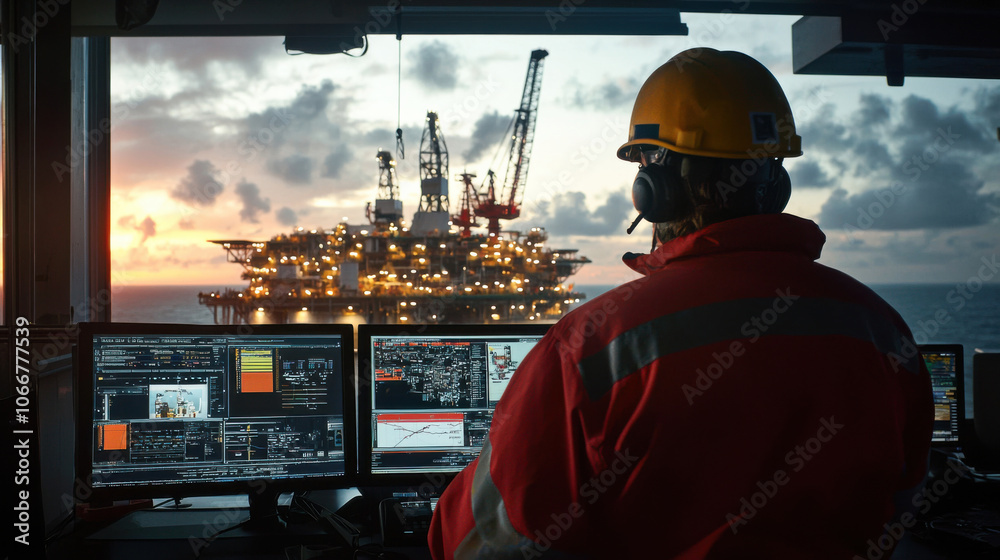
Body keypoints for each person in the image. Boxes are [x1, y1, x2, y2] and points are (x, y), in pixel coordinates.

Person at [428, 48, 933, 559]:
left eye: (645, 164)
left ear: (656, 189)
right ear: (775, 183)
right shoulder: (882, 329)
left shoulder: (594, 344)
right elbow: (902, 504)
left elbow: (483, 542)